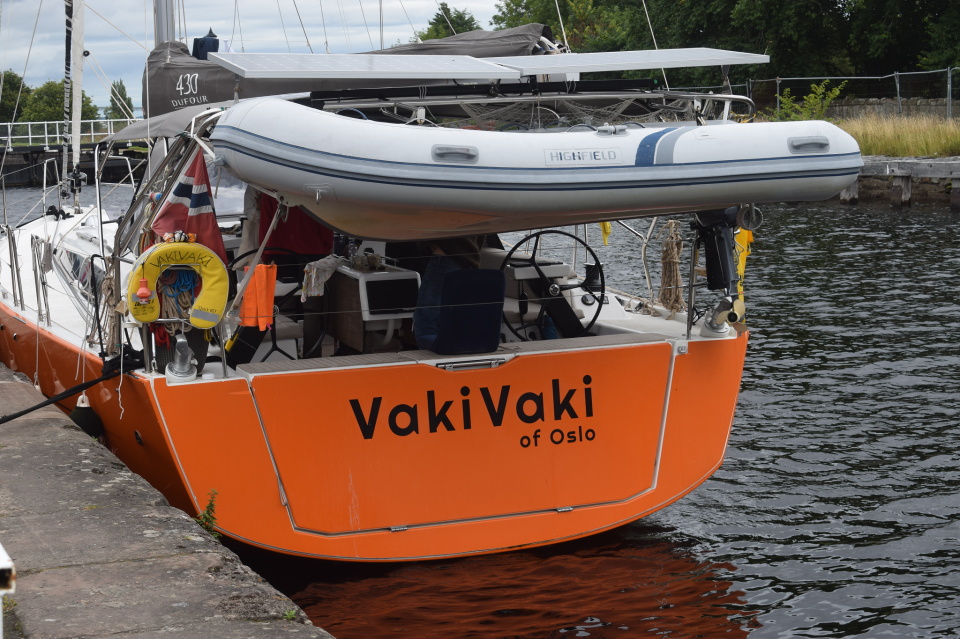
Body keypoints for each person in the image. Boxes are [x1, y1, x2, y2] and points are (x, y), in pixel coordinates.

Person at [413, 236, 483, 350]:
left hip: (444, 258)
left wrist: (428, 246)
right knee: (460, 323)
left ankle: (432, 363)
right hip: (470, 262)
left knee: (426, 325)